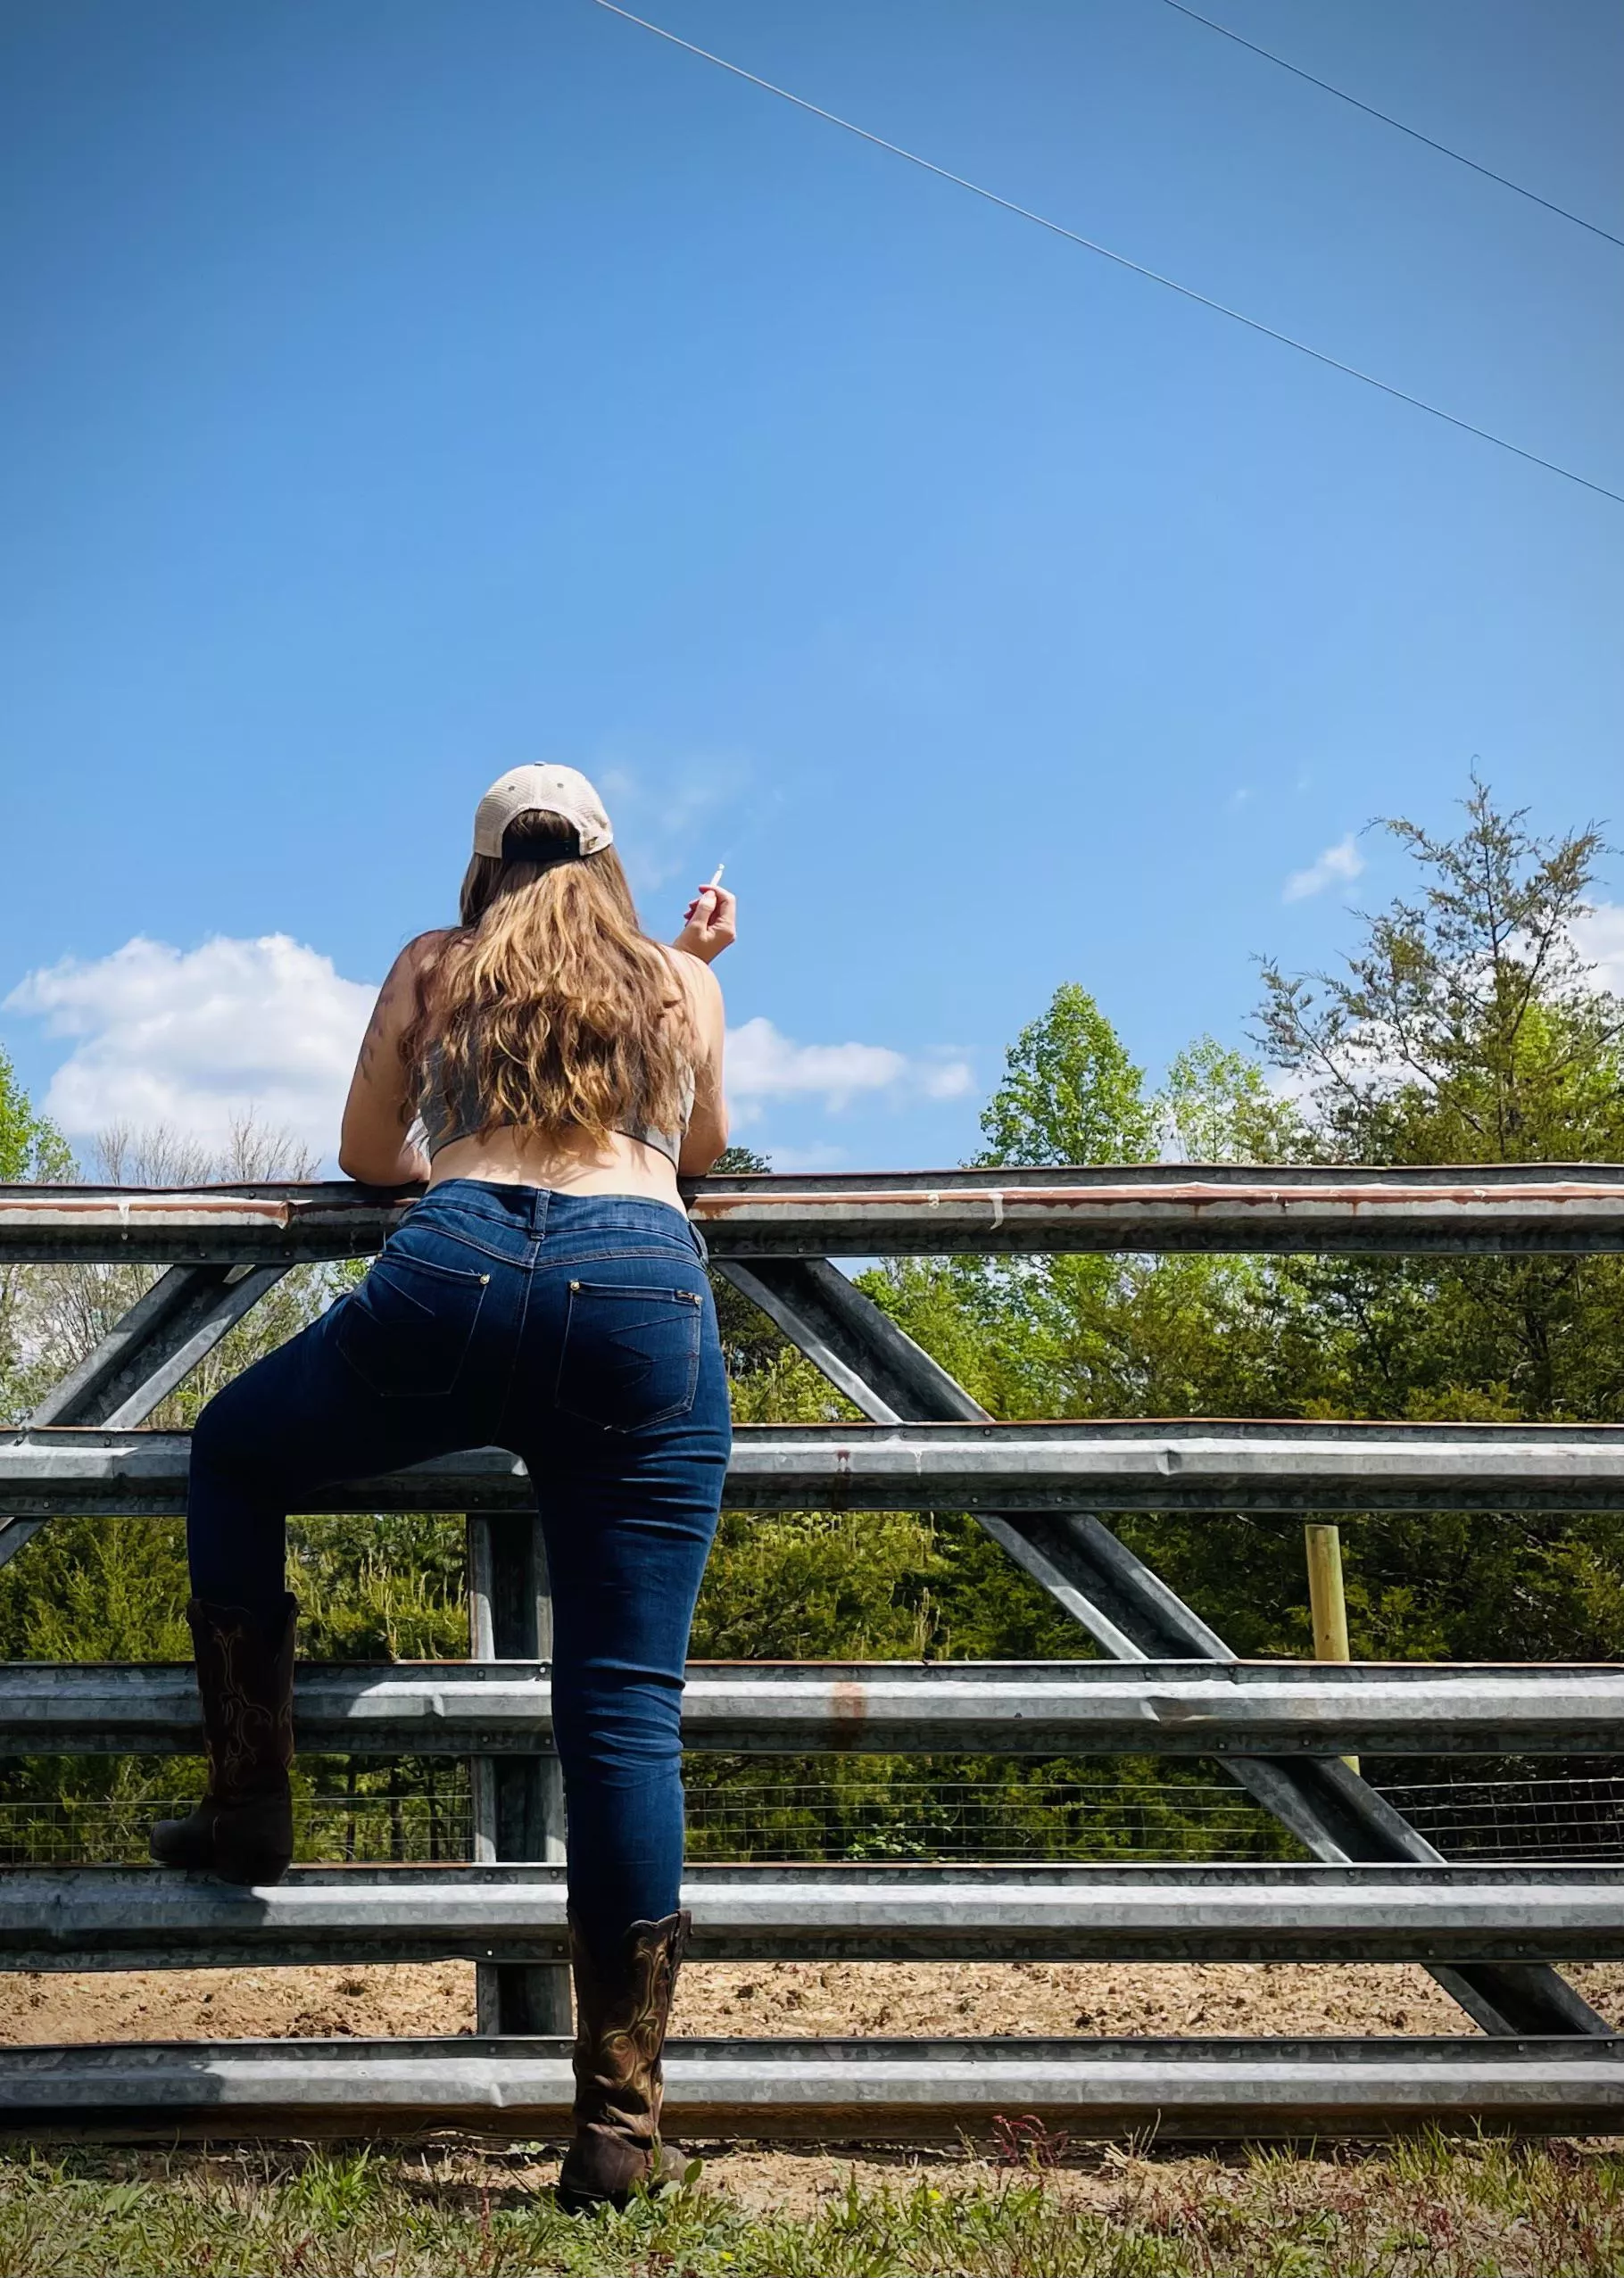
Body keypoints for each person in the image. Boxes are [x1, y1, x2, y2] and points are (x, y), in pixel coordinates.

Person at [149, 764, 737, 2211]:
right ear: (606, 863)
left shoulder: (435, 963)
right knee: (618, 1710)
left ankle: (252, 1807)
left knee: (232, 1449)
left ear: (480, 869)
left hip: (454, 1272)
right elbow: (700, 1156)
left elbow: (363, 1157)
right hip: (640, 1297)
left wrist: (474, 1171)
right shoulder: (673, 979)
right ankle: (615, 2128)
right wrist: (692, 967)